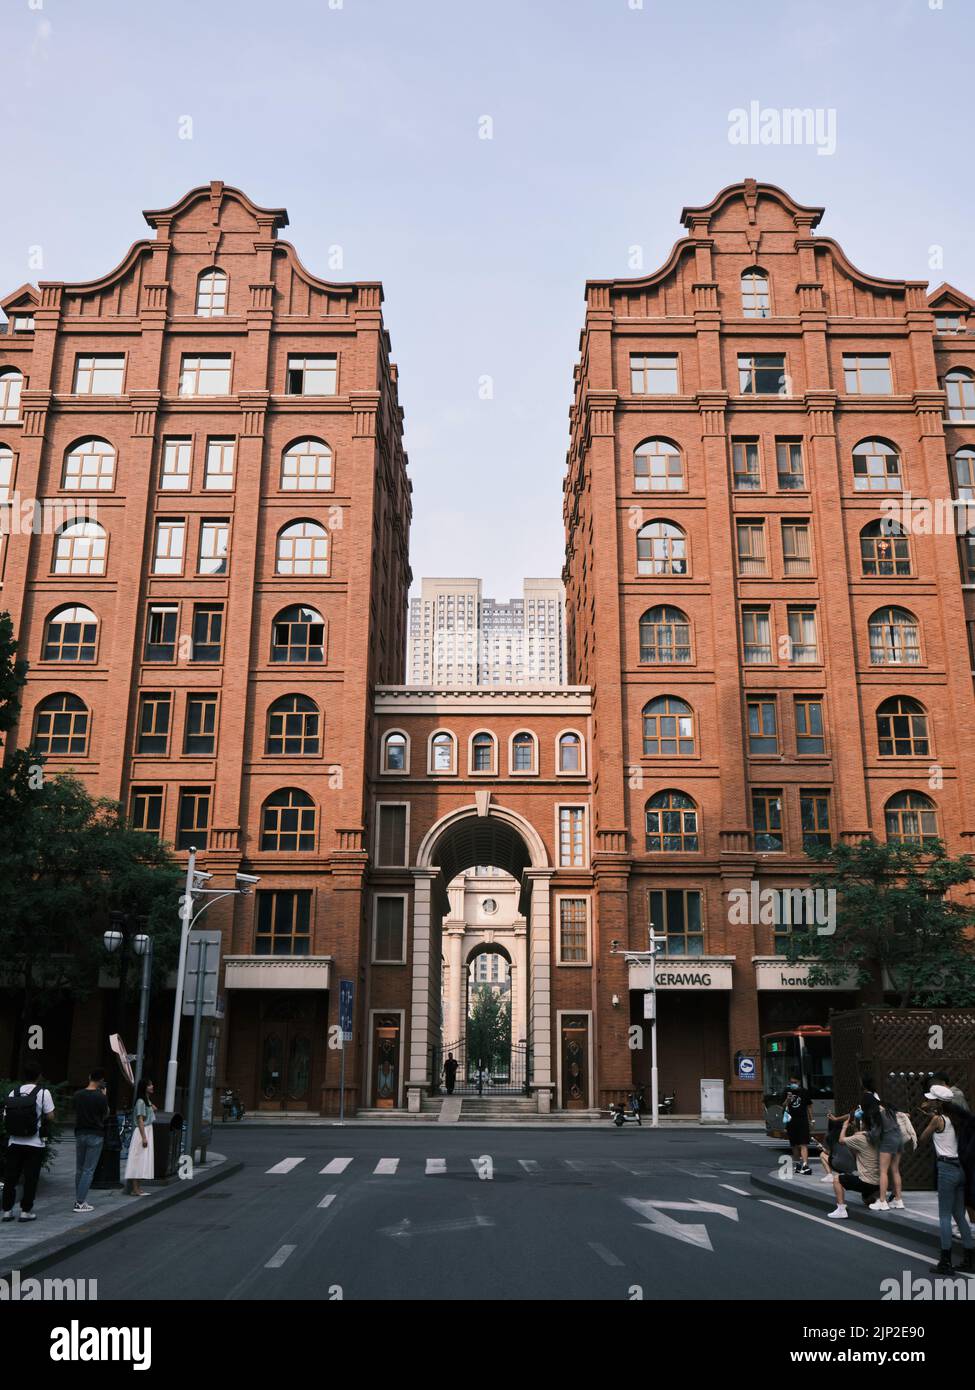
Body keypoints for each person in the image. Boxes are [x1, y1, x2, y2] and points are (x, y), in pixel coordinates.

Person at [918, 1083, 975, 1275]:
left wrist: (930, 1119)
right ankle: (969, 1259)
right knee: (959, 1215)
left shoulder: (937, 1120)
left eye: (930, 1099)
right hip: (960, 1169)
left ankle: (945, 1261)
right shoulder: (958, 1118)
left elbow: (922, 1139)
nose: (927, 1101)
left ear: (937, 1102)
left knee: (944, 1216)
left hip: (946, 1169)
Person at [1, 1063, 56, 1223]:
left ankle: (7, 1211)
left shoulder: (14, 1092)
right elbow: (50, 1116)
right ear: (39, 1076)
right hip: (35, 1143)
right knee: (31, 1178)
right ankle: (25, 1211)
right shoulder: (43, 1093)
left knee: (11, 1178)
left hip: (14, 1141)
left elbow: (6, 1116)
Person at [827, 1111, 881, 1219]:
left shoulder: (861, 1138)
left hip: (866, 1181)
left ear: (863, 1124)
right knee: (866, 1200)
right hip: (879, 1182)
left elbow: (841, 1140)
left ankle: (841, 1209)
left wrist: (845, 1127)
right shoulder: (878, 1137)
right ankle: (877, 1198)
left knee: (837, 1178)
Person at [72, 1069, 108, 1213]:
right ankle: (80, 1202)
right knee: (88, 1170)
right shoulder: (101, 1097)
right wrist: (105, 1096)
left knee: (80, 1169)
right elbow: (105, 1115)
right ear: (100, 1081)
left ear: (89, 1077)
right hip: (95, 1134)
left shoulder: (77, 1095)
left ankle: (79, 1198)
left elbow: (76, 1111)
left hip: (80, 1133)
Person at [863, 1094, 906, 1211]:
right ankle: (898, 1200)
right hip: (899, 1139)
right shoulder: (888, 1109)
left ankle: (882, 1201)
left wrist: (865, 1134)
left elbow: (875, 1134)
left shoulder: (875, 1113)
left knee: (883, 1172)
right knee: (895, 1170)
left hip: (888, 1141)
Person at [124, 1078, 156, 1197]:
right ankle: (135, 1189)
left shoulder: (146, 1100)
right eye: (149, 1085)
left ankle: (138, 1188)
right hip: (143, 1132)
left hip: (147, 1130)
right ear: (144, 1088)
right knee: (138, 1159)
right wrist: (144, 1137)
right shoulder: (141, 1102)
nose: (152, 1086)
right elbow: (140, 1120)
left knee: (142, 1159)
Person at [782, 1072, 813, 1175]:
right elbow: (783, 1105)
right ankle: (797, 1164)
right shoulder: (787, 1091)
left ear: (799, 1082)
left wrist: (811, 1120)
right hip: (791, 1120)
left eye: (794, 1082)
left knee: (804, 1143)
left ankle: (805, 1165)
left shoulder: (804, 1092)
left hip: (802, 1120)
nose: (792, 1084)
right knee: (794, 1144)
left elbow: (809, 1106)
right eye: (791, 1082)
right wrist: (787, 1099)